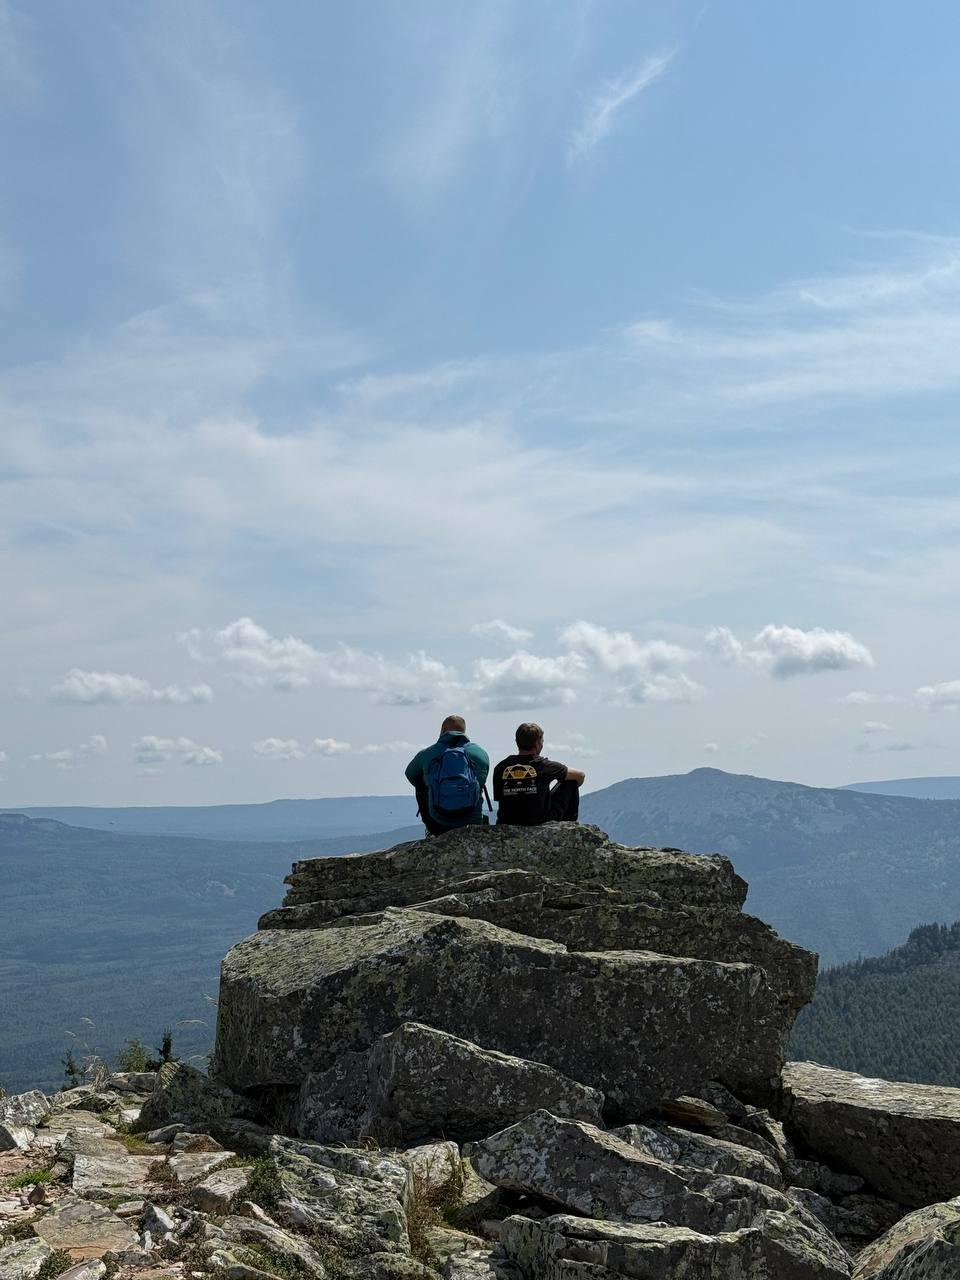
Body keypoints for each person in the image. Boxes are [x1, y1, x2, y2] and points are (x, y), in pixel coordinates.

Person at [405, 715, 490, 835]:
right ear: (463, 731)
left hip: (437, 823)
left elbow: (410, 774)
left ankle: (431, 831)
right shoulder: (480, 753)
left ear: (443, 729)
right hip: (472, 820)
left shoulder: (427, 753)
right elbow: (481, 781)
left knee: (419, 778)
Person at [493, 722, 585, 826]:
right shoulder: (545, 765)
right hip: (539, 820)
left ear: (517, 742)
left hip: (507, 820)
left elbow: (499, 798)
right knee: (571, 781)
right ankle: (569, 827)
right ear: (537, 743)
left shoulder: (500, 767)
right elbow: (580, 776)